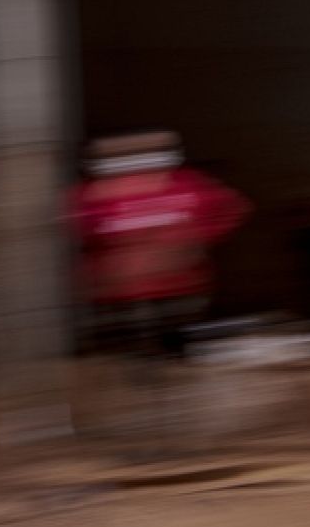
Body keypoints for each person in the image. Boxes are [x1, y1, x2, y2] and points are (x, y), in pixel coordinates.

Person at [69, 131, 250, 364]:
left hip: (172, 292)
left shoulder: (184, 184)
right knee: (132, 358)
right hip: (125, 296)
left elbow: (232, 208)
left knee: (168, 355)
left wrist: (192, 241)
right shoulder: (96, 193)